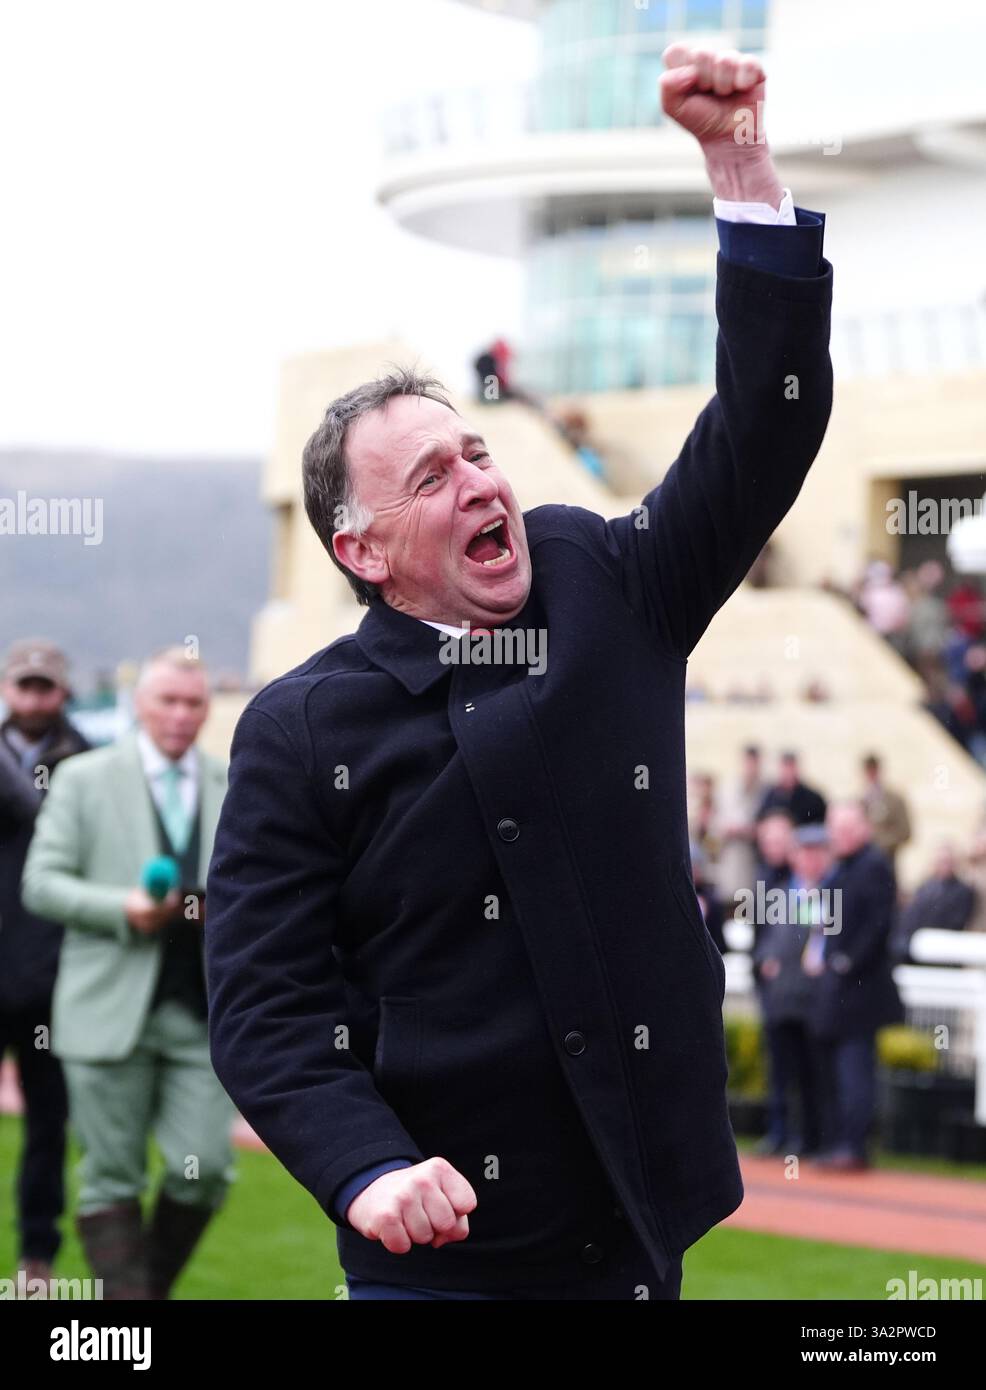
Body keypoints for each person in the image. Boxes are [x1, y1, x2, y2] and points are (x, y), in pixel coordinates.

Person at [204, 41, 833, 1301]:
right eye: (429, 479)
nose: (479, 482)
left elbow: (763, 427)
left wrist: (736, 160)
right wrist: (367, 1167)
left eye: (474, 451)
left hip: (641, 1237)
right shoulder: (298, 728)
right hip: (436, 1260)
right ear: (360, 550)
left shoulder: (606, 580)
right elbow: (266, 1003)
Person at [21, 648, 236, 1299]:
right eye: (167, 700)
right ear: (139, 705)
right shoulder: (83, 779)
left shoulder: (234, 781)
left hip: (201, 1011)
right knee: (110, 1177)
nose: (180, 714)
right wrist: (124, 908)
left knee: (205, 1170)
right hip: (107, 1005)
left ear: (206, 710)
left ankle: (137, 1301)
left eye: (193, 703)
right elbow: (41, 885)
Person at [0, 639, 90, 1286]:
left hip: (53, 977)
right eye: (23, 685)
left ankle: (37, 1259)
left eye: (44, 686)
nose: (33, 697)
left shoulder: (89, 765)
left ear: (62, 692)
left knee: (47, 1129)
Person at [809, 800, 904, 1171]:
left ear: (864, 828)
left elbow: (879, 925)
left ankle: (853, 1146)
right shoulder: (843, 869)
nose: (841, 835)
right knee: (838, 1072)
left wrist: (847, 962)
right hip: (839, 992)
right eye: (837, 828)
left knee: (855, 1072)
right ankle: (839, 1143)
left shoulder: (873, 865)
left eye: (848, 828)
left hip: (861, 994)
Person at [753, 823, 832, 1158]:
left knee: (811, 1074)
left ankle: (808, 1138)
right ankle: (779, 1133)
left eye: (817, 853)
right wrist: (766, 961)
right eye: (804, 853)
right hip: (780, 997)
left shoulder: (830, 895)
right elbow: (764, 941)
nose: (810, 861)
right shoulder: (781, 893)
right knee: (780, 1072)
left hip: (813, 1000)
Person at [890, 843, 975, 964]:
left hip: (939, 950)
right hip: (913, 943)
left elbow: (954, 922)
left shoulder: (962, 891)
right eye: (940, 861)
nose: (944, 865)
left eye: (947, 861)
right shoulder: (926, 886)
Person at [716, 745, 766, 909]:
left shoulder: (765, 791)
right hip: (730, 865)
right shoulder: (728, 790)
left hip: (753, 867)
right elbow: (717, 825)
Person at [860, 752, 911, 877]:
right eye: (868, 771)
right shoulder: (860, 802)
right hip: (863, 868)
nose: (871, 775)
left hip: (887, 862)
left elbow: (906, 832)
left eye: (874, 770)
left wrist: (880, 844)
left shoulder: (894, 800)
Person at [757, 750, 827, 828]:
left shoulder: (813, 799)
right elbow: (760, 821)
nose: (788, 772)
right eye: (785, 767)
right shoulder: (770, 795)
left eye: (791, 767)